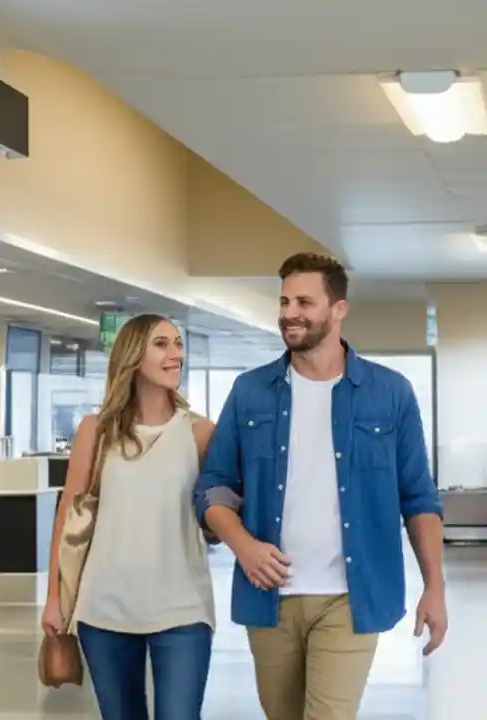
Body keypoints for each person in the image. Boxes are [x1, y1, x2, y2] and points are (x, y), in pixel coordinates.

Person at [194, 253, 447, 720]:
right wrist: (244, 546)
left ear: (338, 309)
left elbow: (419, 498)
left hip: (351, 596)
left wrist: (435, 587)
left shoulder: (390, 393)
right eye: (285, 300)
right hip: (268, 597)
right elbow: (212, 487)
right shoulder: (250, 391)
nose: (290, 312)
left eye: (305, 302)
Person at [41, 313, 217, 720]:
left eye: (178, 344)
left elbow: (220, 510)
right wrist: (55, 598)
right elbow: (69, 517)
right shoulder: (96, 431)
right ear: (133, 357)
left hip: (183, 607)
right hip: (106, 607)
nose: (176, 354)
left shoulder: (201, 433)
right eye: (162, 344)